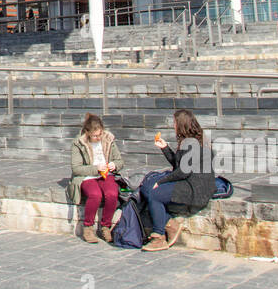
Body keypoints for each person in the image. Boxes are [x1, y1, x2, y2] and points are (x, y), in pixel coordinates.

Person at [139, 108, 216, 252]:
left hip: (196, 189)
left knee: (155, 193)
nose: (173, 126)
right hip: (189, 182)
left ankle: (159, 237)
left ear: (181, 124)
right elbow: (179, 166)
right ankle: (170, 223)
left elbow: (182, 172)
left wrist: (161, 182)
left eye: (174, 123)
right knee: (148, 187)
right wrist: (166, 148)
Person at [68, 113, 123, 243]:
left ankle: (105, 226)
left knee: (112, 194)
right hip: (87, 176)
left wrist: (114, 165)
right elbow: (76, 168)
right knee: (95, 195)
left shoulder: (108, 139)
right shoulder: (78, 143)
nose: (98, 138)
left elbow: (120, 160)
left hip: (106, 174)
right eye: (94, 136)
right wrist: (96, 168)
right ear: (87, 133)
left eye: (100, 134)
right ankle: (88, 227)